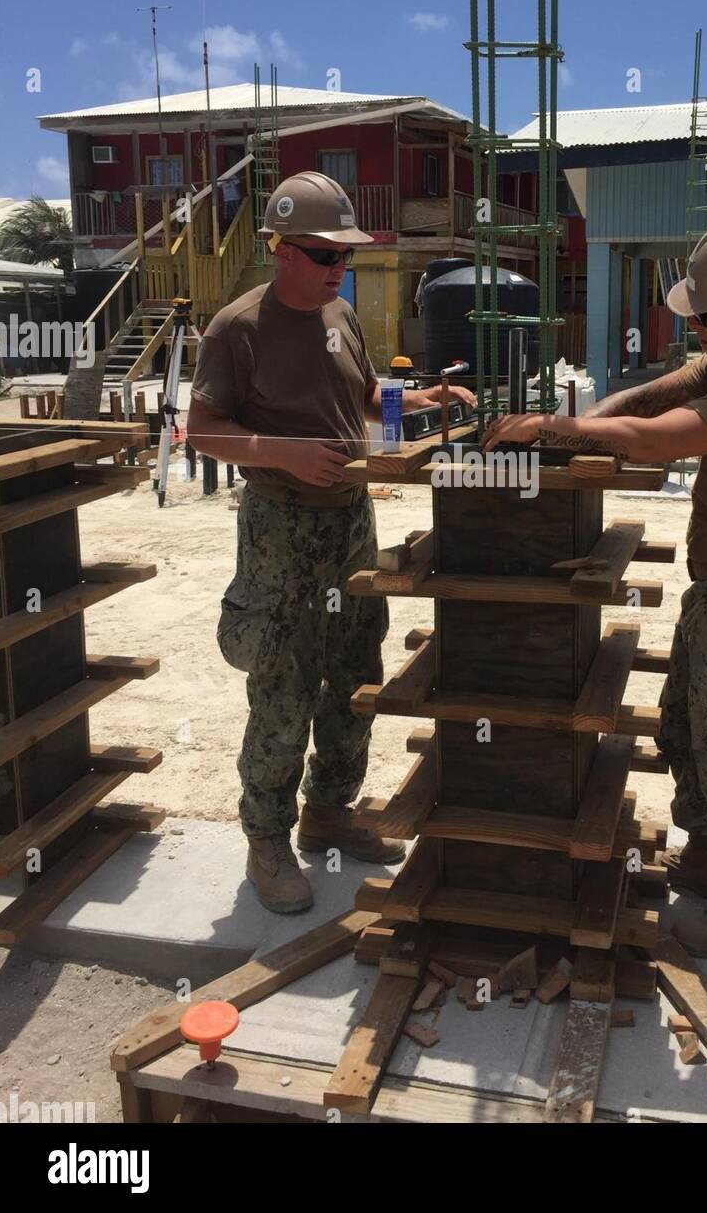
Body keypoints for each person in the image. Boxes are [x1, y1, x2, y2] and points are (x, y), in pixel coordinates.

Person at [483, 215, 707, 957]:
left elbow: (662, 439)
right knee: (692, 730)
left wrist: (546, 426)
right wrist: (575, 428)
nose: (696, 328)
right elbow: (648, 399)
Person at [187, 171, 475, 913]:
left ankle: (329, 811)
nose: (337, 269)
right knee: (284, 680)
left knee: (353, 671)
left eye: (344, 256)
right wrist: (280, 452)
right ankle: (266, 840)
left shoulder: (338, 315)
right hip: (281, 528)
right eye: (324, 255)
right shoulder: (237, 329)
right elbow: (202, 431)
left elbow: (363, 396)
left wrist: (423, 398)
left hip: (348, 520)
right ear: (281, 249)